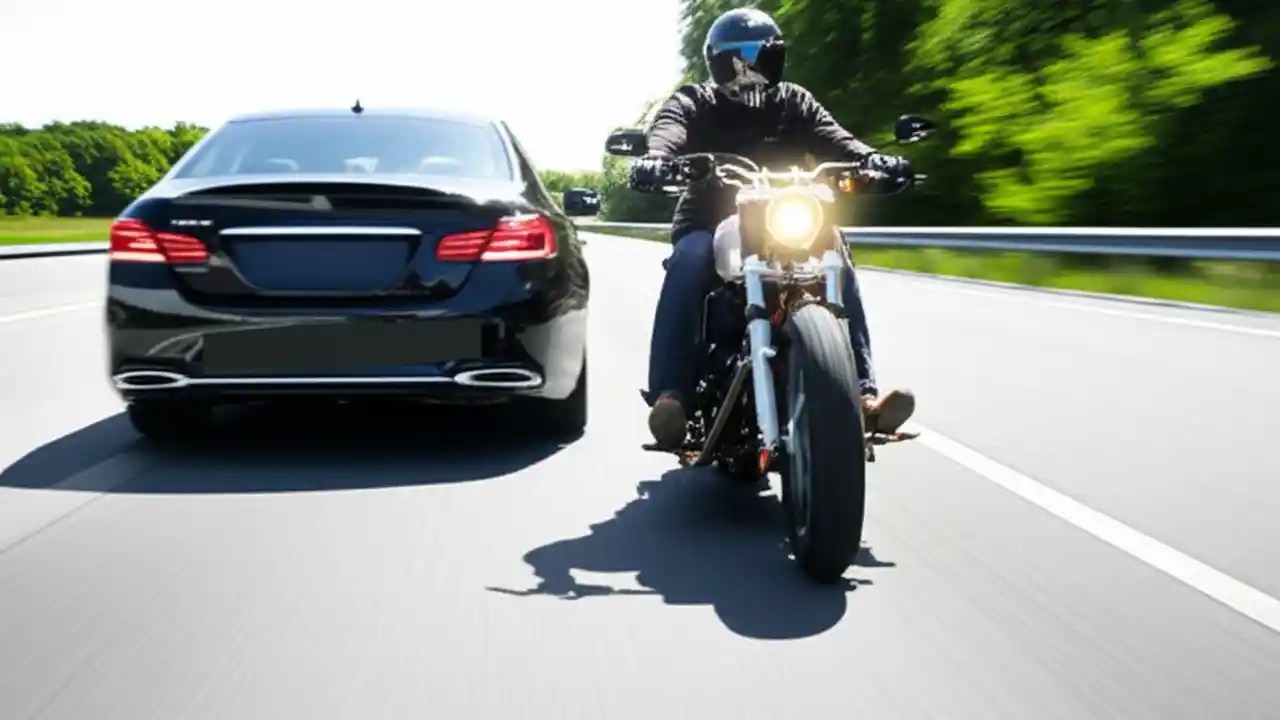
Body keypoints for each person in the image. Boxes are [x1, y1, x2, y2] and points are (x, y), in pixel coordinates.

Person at [630, 7, 917, 449]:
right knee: (689, 260)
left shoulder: (794, 102)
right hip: (711, 218)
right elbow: (670, 126)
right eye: (739, 58)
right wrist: (656, 157)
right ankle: (671, 398)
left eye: (762, 56)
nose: (752, 69)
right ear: (718, 63)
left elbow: (834, 136)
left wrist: (871, 159)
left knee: (835, 251)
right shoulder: (696, 100)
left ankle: (861, 396)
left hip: (786, 216)